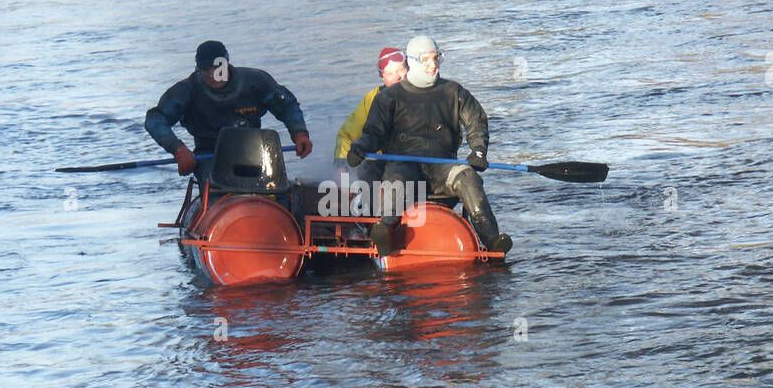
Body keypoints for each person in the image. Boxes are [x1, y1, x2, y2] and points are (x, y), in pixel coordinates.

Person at [346, 35, 512, 256]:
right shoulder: (389, 97)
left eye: (436, 58)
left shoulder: (454, 92)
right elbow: (373, 133)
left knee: (469, 178)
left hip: (443, 167)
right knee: (397, 181)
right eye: (426, 59)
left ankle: (492, 240)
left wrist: (479, 150)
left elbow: (476, 121)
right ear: (413, 61)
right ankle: (384, 230)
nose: (432, 65)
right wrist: (359, 147)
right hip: (404, 165)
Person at [144, 40, 313, 184]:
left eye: (218, 67)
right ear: (198, 69)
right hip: (209, 155)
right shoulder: (186, 91)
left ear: (227, 61)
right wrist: (178, 150)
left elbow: (287, 106)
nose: (213, 74)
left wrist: (299, 133)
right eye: (206, 69)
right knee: (214, 183)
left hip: (255, 149)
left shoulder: (256, 81)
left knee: (275, 187)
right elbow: (155, 120)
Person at [333, 47, 407, 204]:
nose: (397, 77)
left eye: (401, 70)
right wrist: (341, 164)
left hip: (414, 161)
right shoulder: (372, 99)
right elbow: (347, 135)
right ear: (382, 76)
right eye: (390, 73)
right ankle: (368, 221)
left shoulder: (422, 95)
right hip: (381, 163)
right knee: (367, 171)